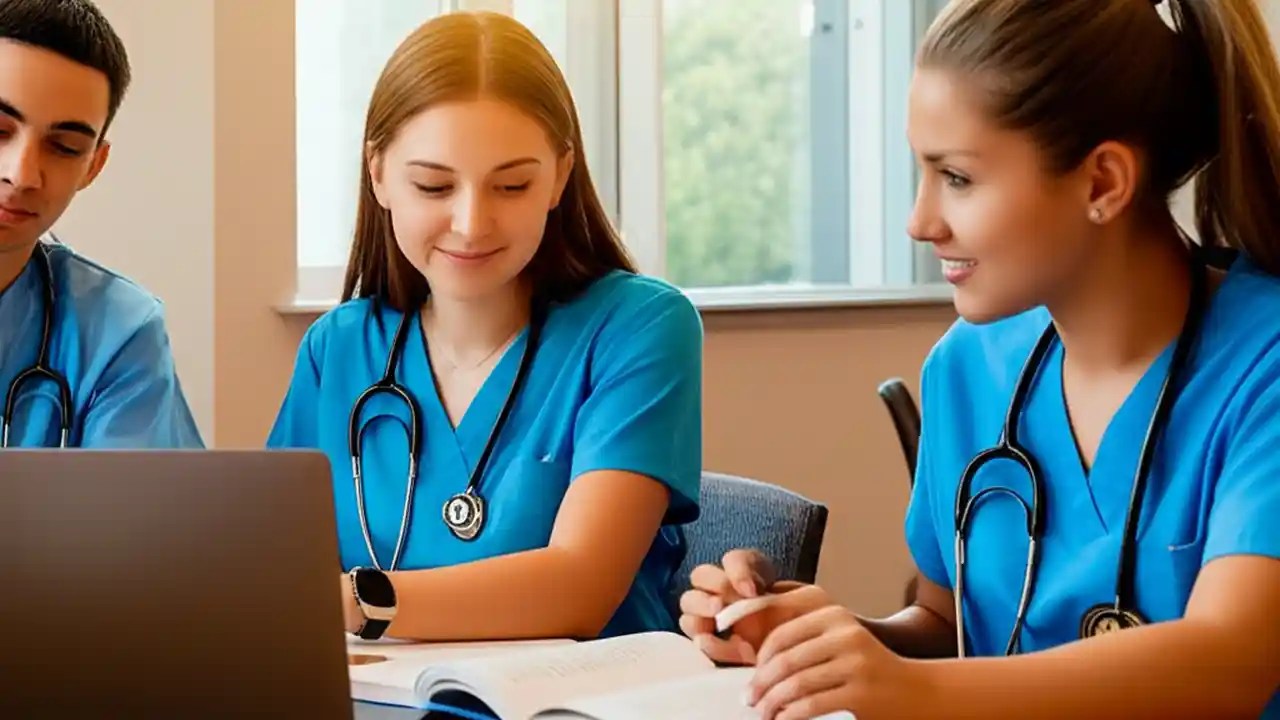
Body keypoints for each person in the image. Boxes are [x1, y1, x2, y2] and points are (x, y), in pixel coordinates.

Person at [679, 0, 1280, 717]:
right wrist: (814, 645)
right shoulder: (967, 369)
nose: (919, 221)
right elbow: (943, 628)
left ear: (1102, 183)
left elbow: (1231, 660)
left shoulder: (1262, 363)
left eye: (956, 177)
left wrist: (913, 691)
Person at [268, 11, 703, 643]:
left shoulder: (640, 327)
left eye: (512, 184)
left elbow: (579, 589)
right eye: (434, 185)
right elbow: (272, 567)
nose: (472, 223)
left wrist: (357, 602)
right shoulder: (336, 350)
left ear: (559, 176)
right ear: (379, 174)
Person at [0, 0, 202, 449]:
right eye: (0, 130)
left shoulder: (117, 331)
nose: (22, 174)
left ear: (94, 165)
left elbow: (141, 516)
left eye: (65, 147)